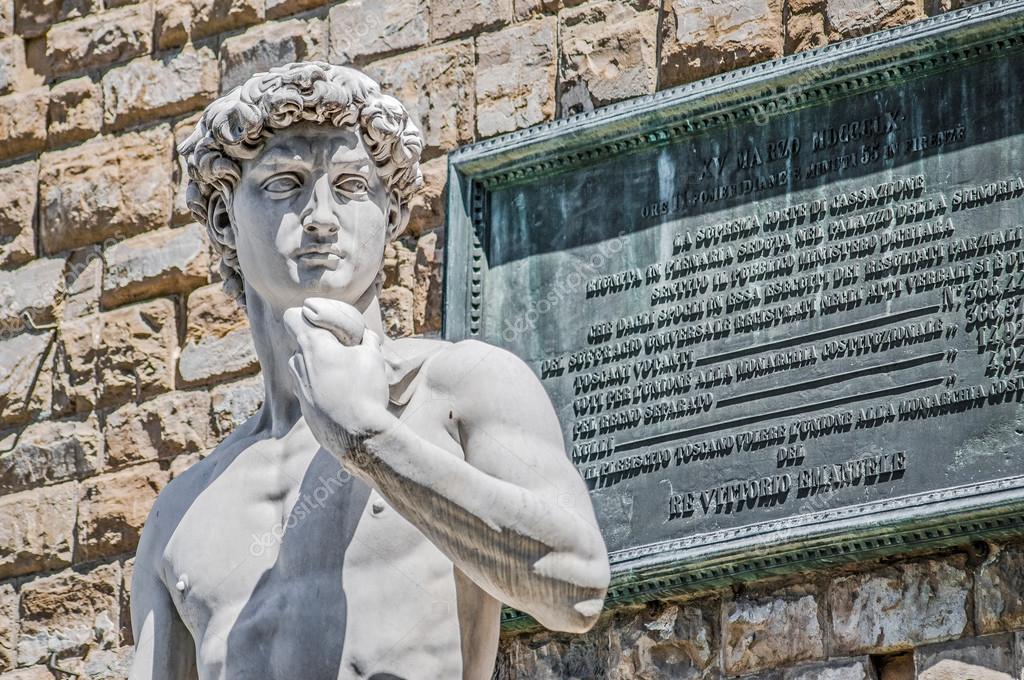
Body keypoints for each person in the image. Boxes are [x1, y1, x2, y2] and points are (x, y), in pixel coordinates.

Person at [128, 62, 610, 680]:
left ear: (392, 212)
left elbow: (577, 587)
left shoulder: (457, 389)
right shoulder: (181, 513)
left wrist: (367, 439)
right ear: (224, 216)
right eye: (285, 184)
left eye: (351, 185)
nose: (321, 216)